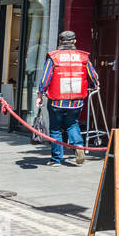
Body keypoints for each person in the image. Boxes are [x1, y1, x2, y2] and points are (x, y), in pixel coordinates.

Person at [35, 31, 100, 167]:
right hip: (76, 100)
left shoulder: (53, 57)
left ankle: (56, 159)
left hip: (56, 100)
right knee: (72, 124)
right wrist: (95, 85)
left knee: (55, 129)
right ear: (74, 41)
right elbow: (93, 75)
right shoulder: (83, 57)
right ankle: (78, 147)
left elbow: (45, 78)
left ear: (60, 42)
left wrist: (40, 95)